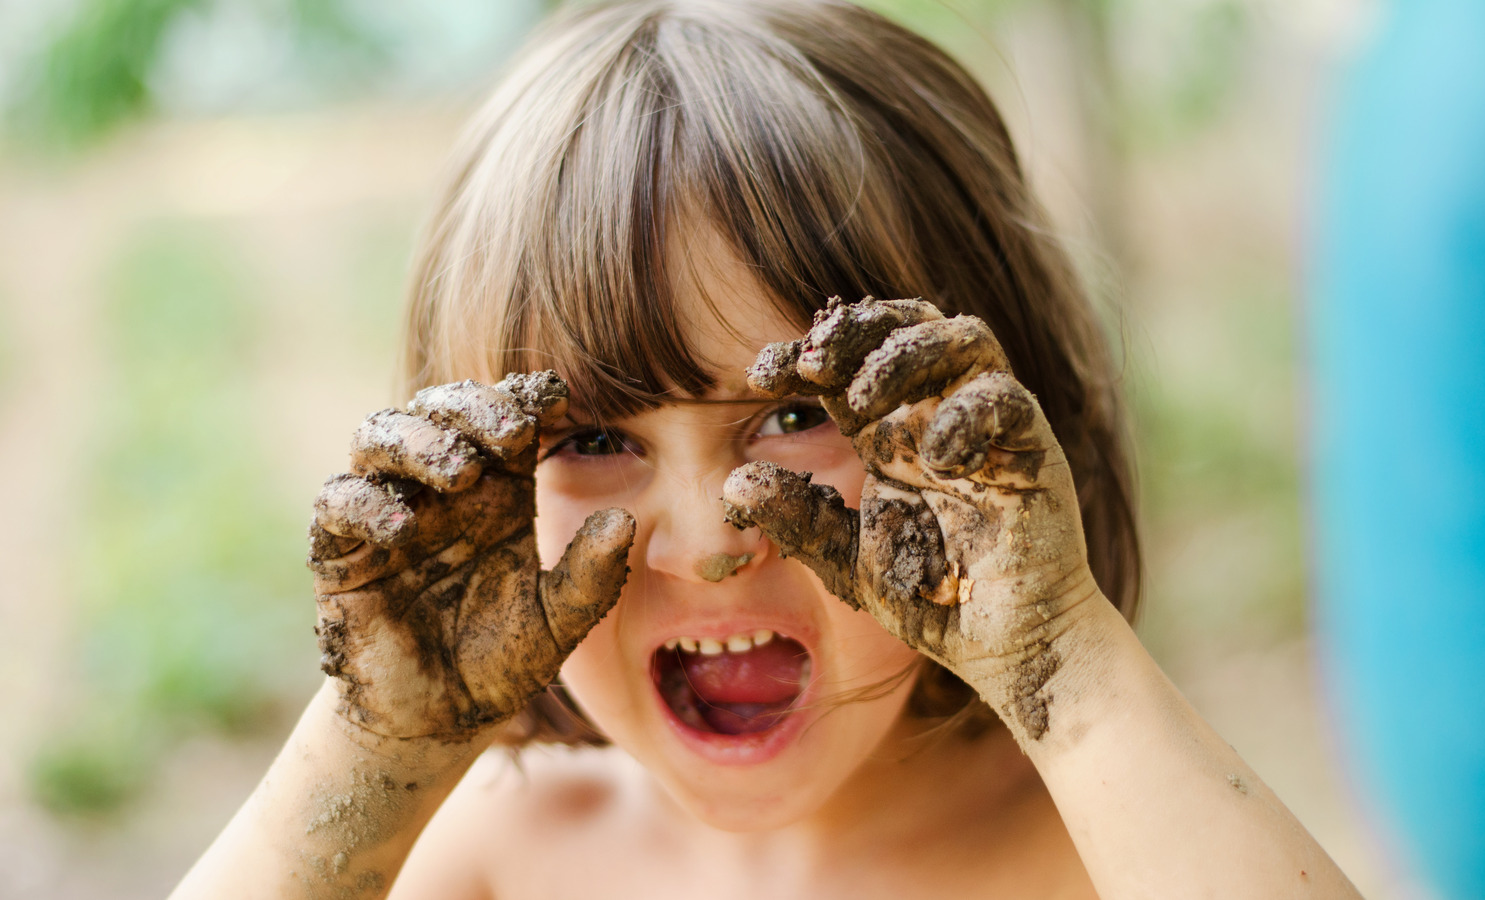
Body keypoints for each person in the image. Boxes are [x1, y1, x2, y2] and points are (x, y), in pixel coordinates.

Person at [172, 1, 1361, 897]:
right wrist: (373, 756)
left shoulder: (1114, 845)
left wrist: (1069, 675)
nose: (705, 544)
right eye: (591, 437)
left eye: (798, 416)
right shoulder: (495, 852)